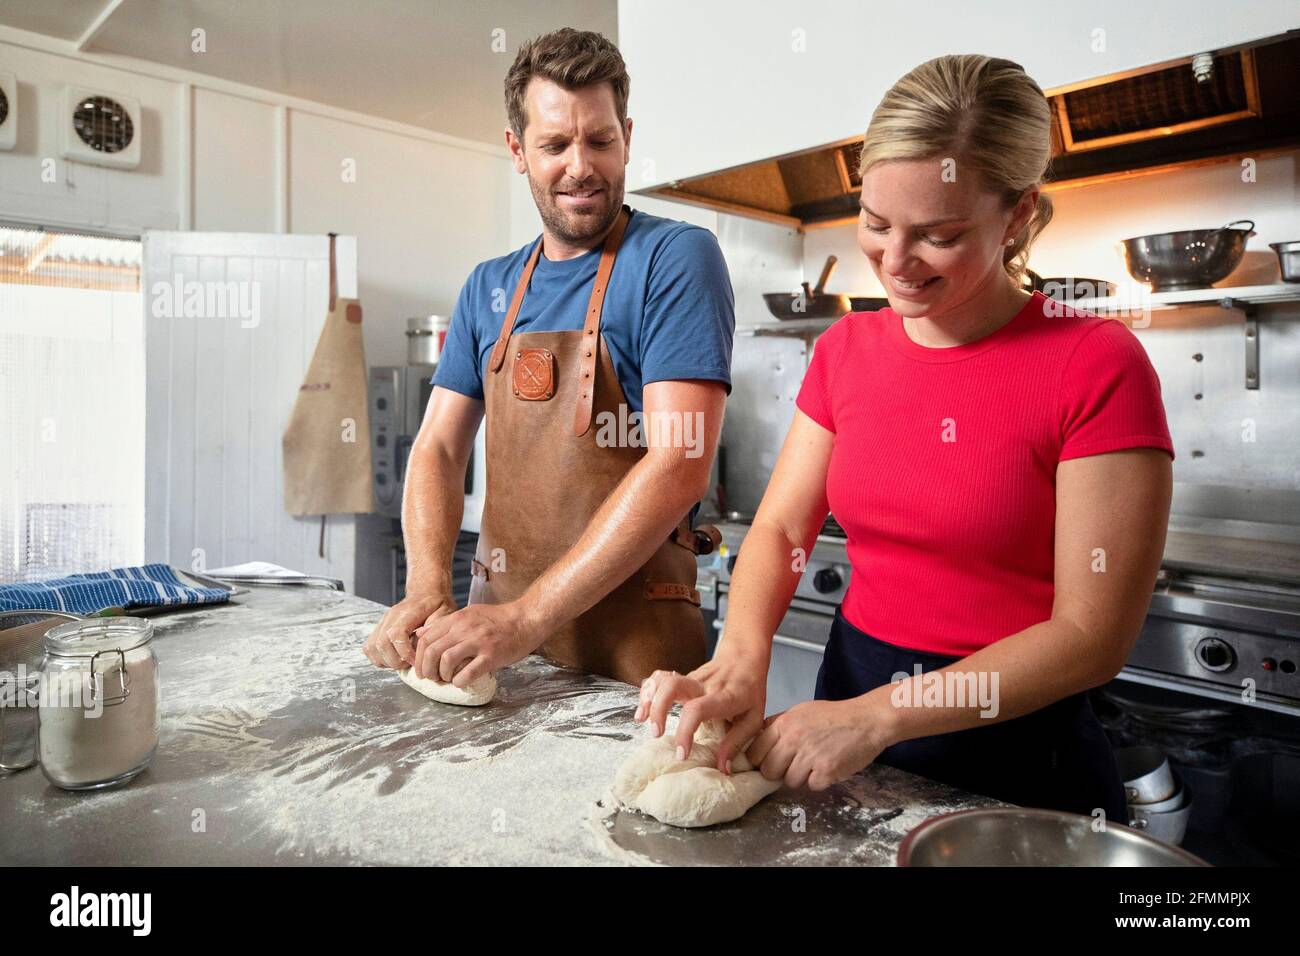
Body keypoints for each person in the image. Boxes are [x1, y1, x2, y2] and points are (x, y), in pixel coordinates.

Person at [634, 54, 1173, 824]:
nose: (894, 260)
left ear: (1017, 216)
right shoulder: (846, 349)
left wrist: (879, 716)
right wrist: (744, 655)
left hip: (1015, 750)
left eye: (938, 235)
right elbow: (786, 526)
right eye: (876, 224)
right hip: (851, 704)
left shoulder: (1095, 363)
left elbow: (1090, 635)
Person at [362, 28, 734, 686]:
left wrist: (527, 618)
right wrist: (427, 588)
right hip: (495, 648)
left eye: (600, 140)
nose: (581, 167)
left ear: (627, 134)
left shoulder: (675, 259)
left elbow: (680, 463)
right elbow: (438, 449)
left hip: (634, 657)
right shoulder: (489, 287)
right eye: (555, 144)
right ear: (517, 150)